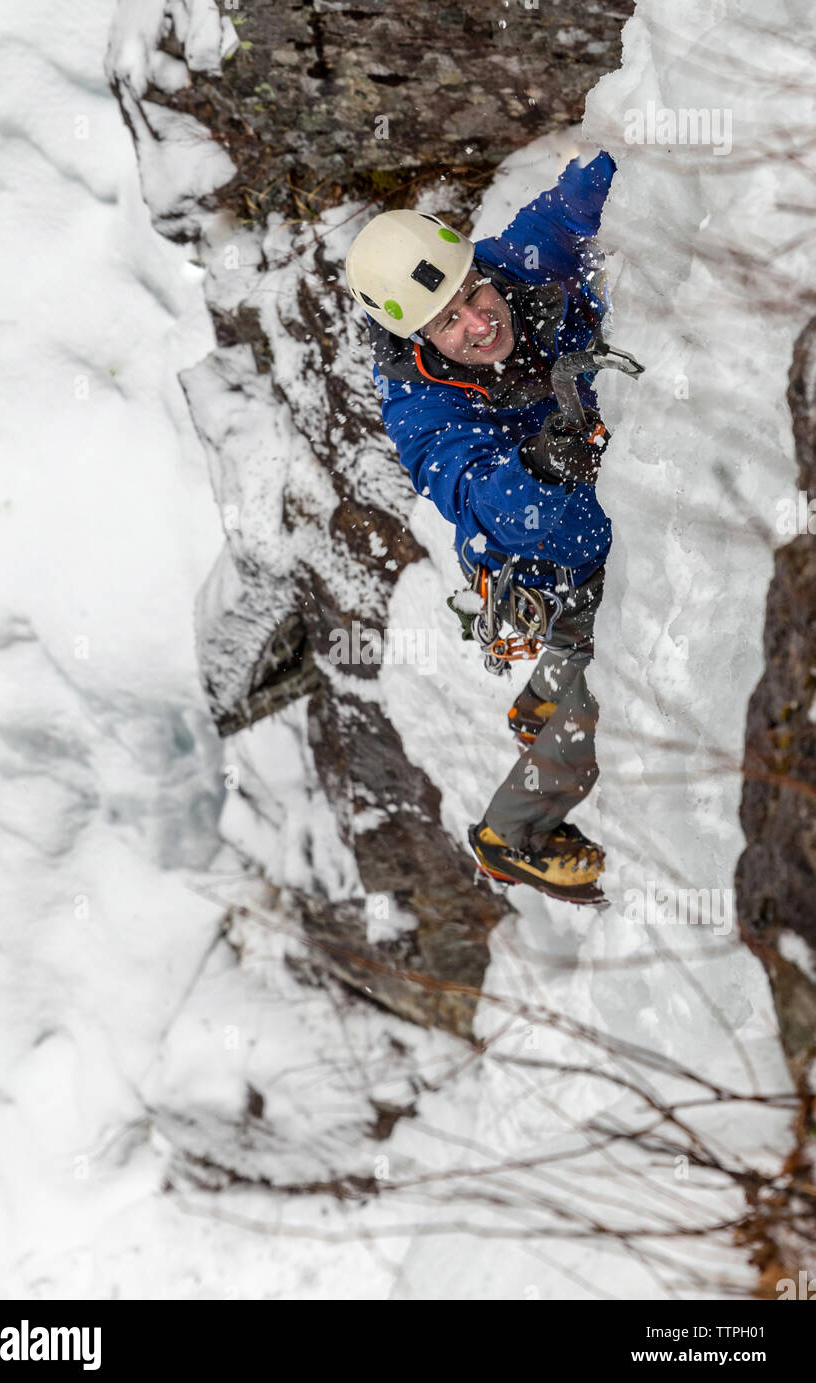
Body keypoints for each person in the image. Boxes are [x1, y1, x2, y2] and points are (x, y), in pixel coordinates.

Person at [344, 152, 618, 905]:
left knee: (605, 577)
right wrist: (541, 462)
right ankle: (515, 836)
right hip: (546, 540)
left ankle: (541, 697)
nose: (479, 320)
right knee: (625, 670)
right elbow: (482, 497)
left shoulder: (511, 264)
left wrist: (644, 133)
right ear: (418, 337)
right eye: (450, 321)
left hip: (593, 496)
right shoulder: (418, 408)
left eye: (474, 292)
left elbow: (569, 207)